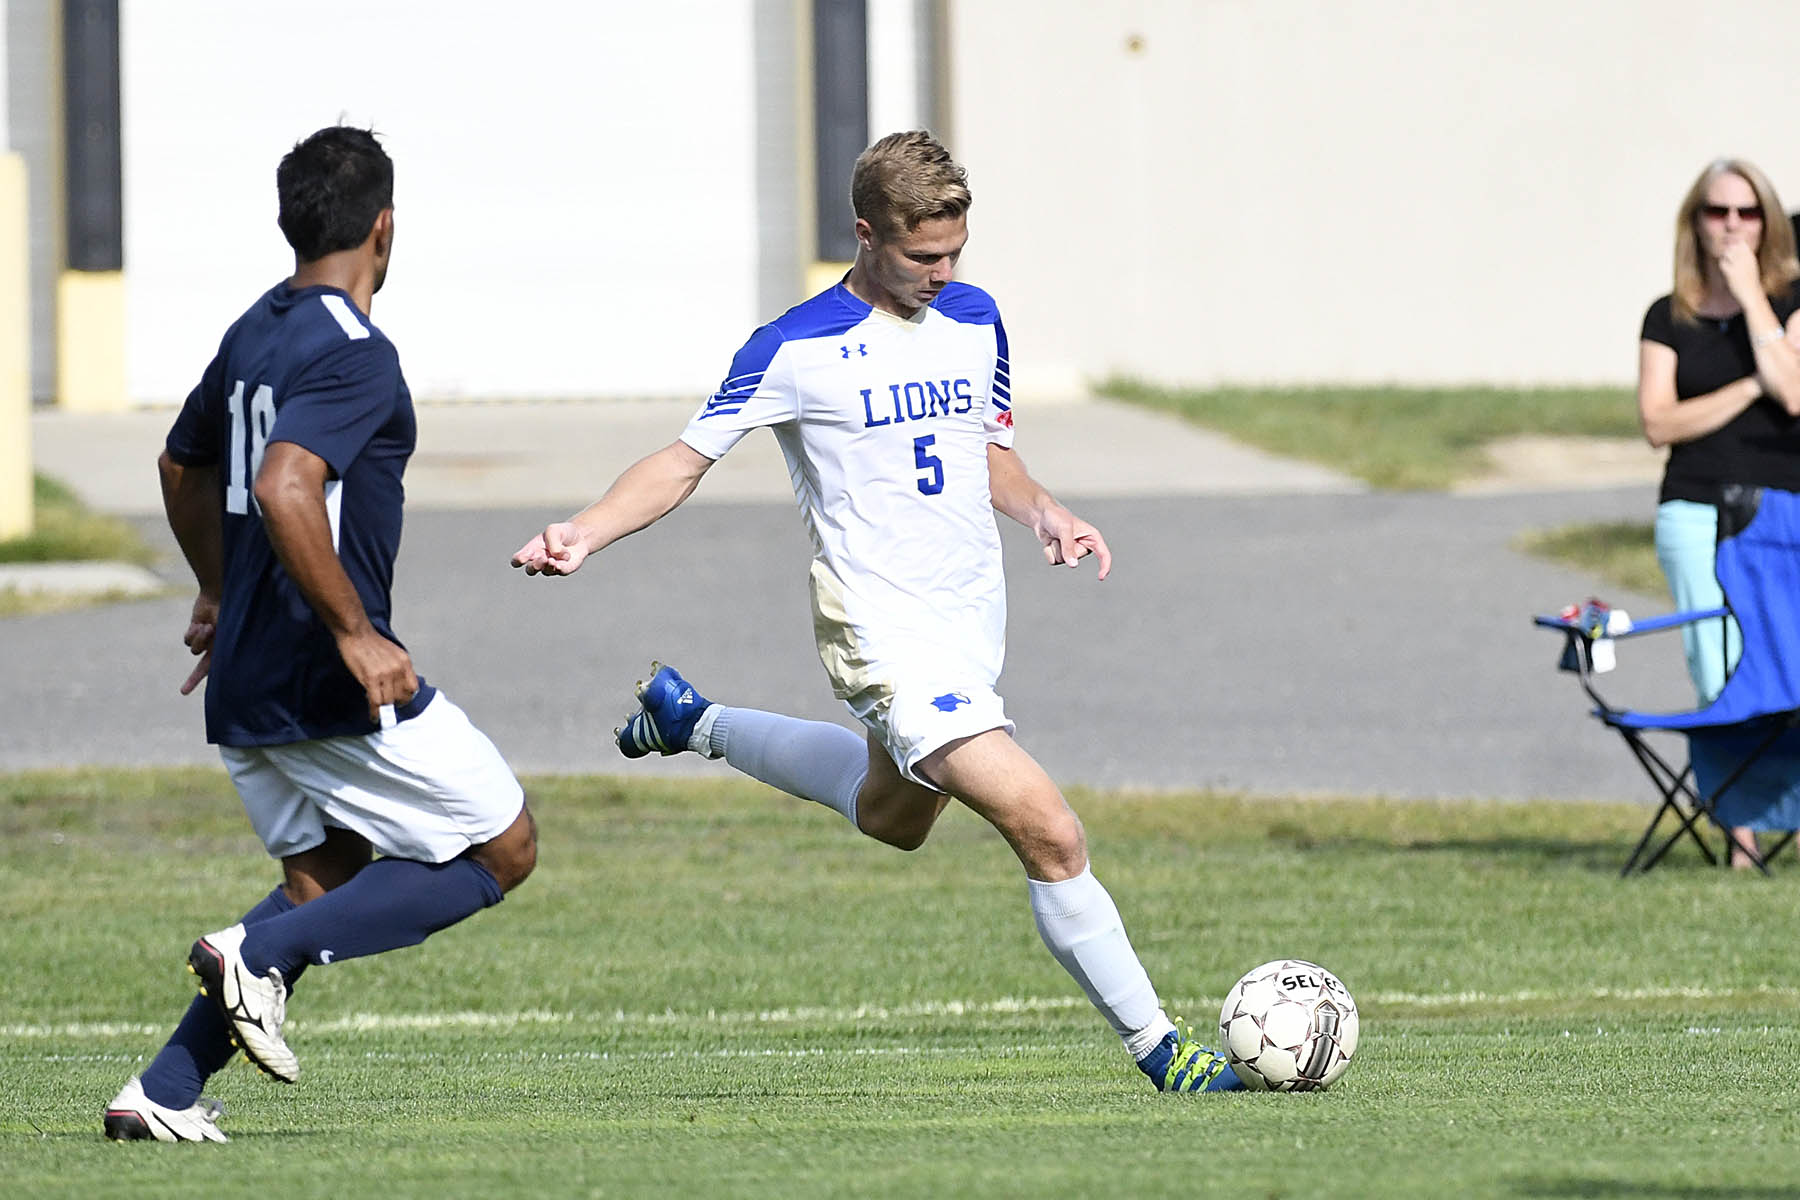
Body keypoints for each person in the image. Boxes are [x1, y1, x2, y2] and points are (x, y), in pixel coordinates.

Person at [512, 130, 1241, 1093]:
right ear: (865, 234)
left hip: (968, 623)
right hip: (881, 632)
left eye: (955, 252)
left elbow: (988, 452)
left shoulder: (976, 318)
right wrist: (586, 530)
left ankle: (697, 722)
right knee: (1050, 828)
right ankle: (1164, 1052)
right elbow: (684, 459)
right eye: (921, 255)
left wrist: (1046, 510)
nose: (943, 272)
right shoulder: (794, 348)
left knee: (892, 817)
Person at [104, 126, 537, 1142]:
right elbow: (281, 482)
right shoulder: (355, 354)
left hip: (249, 677)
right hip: (321, 672)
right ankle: (254, 959)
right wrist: (353, 631)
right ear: (385, 227)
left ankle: (161, 1093)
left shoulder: (256, 328)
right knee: (503, 846)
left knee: (326, 882)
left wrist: (217, 589)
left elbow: (181, 464)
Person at [1638, 157, 1800, 867]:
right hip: (1695, 509)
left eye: (1746, 212)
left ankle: (1784, 814)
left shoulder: (1792, 301)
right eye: (1716, 212)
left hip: (1782, 514)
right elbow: (1658, 423)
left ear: (1767, 222)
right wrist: (1746, 385)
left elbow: (1793, 393)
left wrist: (1751, 298)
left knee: (1788, 669)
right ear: (1694, 222)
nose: (1731, 226)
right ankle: (1742, 841)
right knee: (1720, 670)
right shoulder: (1666, 315)